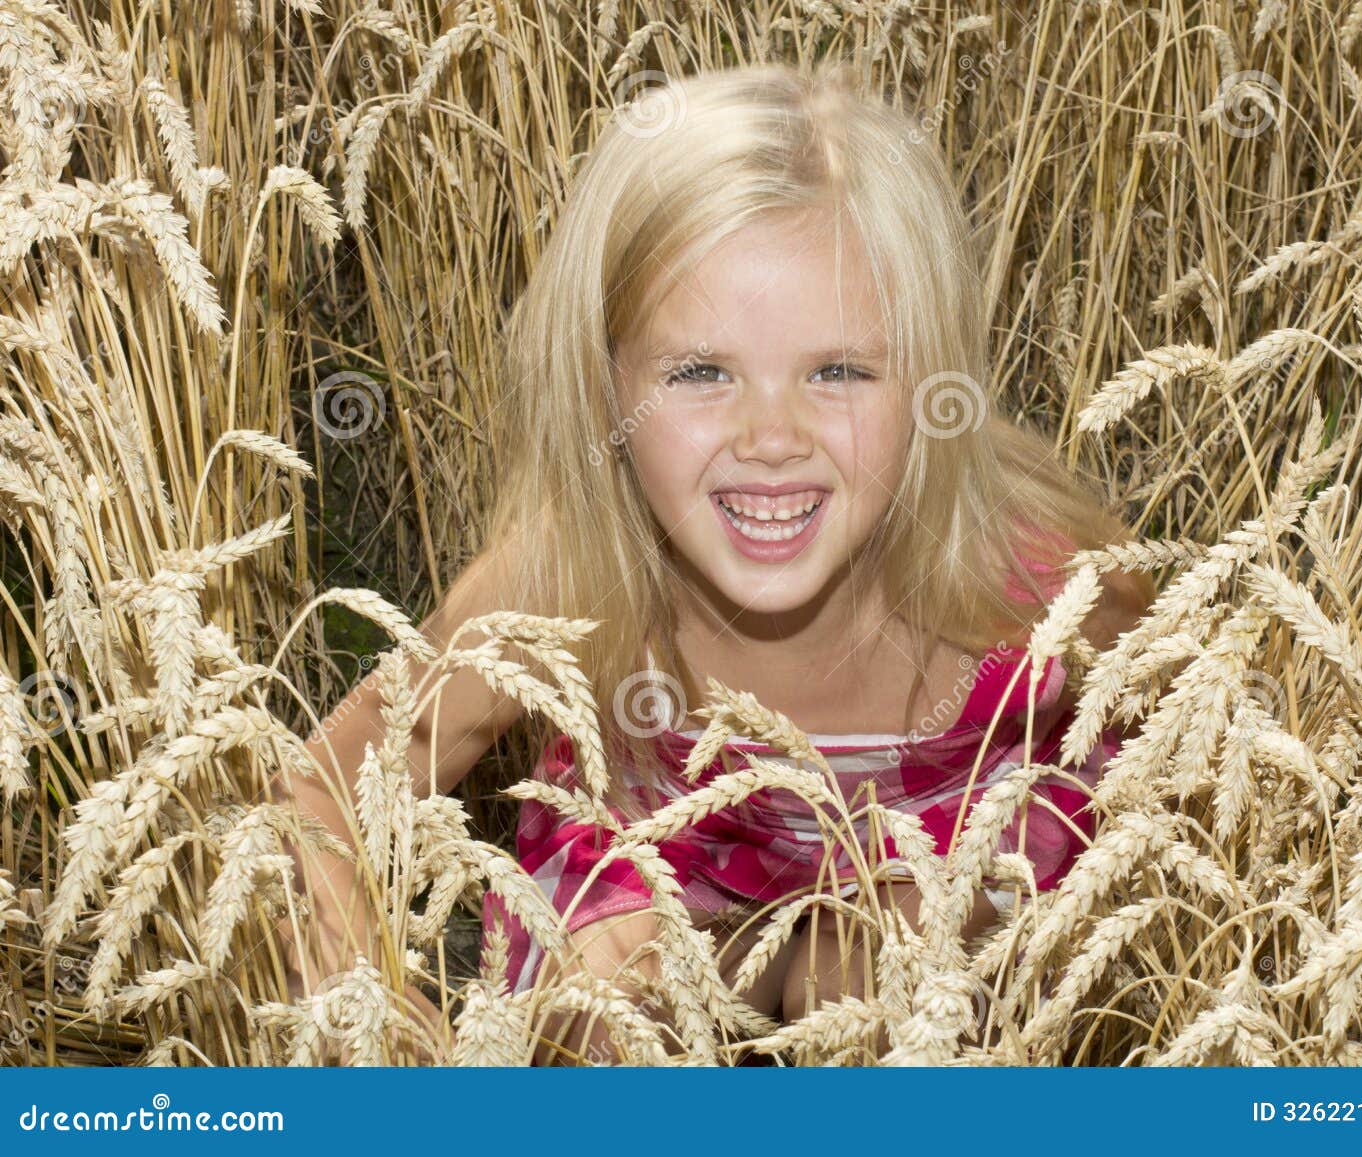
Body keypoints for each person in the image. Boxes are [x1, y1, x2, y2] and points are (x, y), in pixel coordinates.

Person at [281, 58, 1154, 1066]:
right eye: (699, 372)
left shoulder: (1031, 574)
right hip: (667, 856)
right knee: (595, 1009)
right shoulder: (568, 571)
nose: (770, 436)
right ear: (606, 387)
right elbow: (320, 786)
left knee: (878, 981)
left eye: (837, 371)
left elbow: (1201, 740)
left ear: (927, 380)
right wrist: (367, 1012)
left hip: (945, 855)